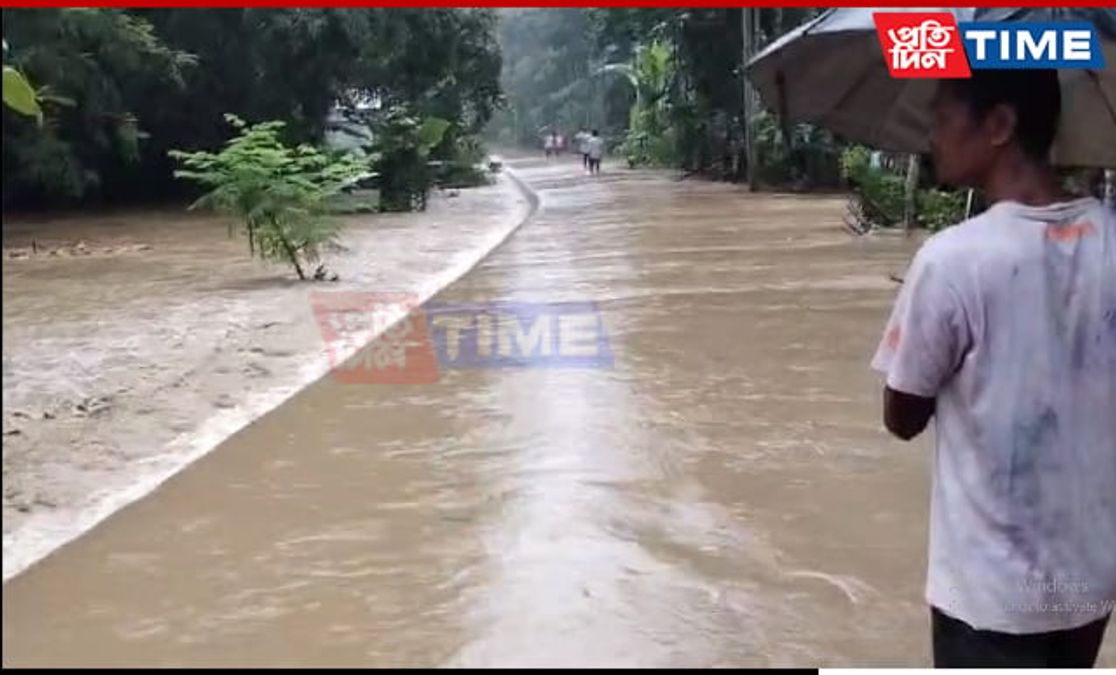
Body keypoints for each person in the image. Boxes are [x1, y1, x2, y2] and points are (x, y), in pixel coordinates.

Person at [871, 69, 1115, 668]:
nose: (932, 134)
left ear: (999, 125)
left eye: (944, 116)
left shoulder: (952, 260)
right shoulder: (1110, 238)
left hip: (989, 594)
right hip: (1089, 580)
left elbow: (902, 413)